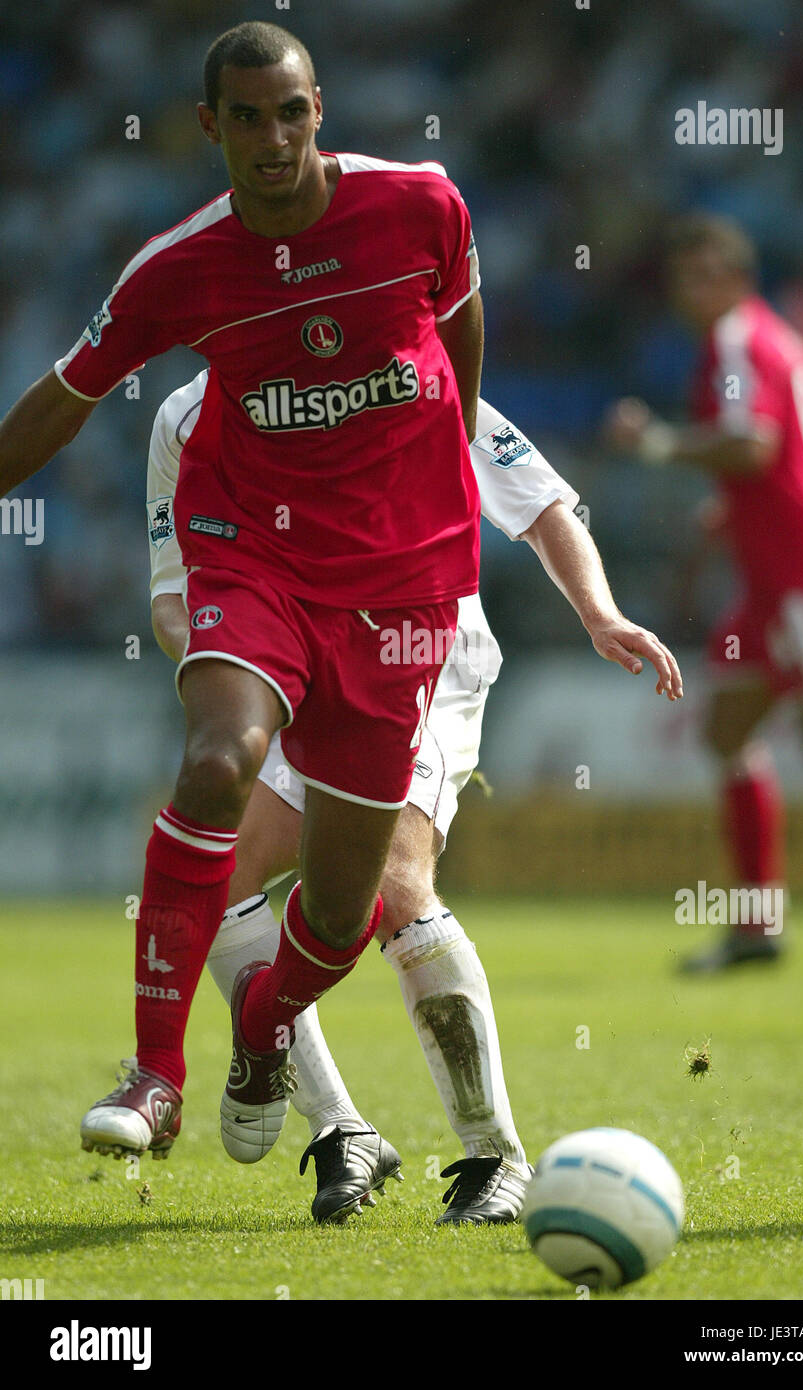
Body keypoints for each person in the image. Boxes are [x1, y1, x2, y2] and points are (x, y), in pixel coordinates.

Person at [0, 21, 489, 1157]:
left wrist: (450, 445)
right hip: (251, 550)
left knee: (338, 913)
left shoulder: (419, 206)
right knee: (218, 759)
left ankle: (262, 1033)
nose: (274, 140)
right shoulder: (176, 268)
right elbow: (69, 392)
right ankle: (155, 1074)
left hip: (400, 581)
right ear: (210, 127)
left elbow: (460, 313)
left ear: (321, 110)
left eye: (293, 113)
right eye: (249, 119)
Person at [146, 372, 684, 1222]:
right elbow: (175, 595)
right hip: (292, 647)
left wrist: (599, 613)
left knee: (393, 880)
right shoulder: (182, 416)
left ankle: (494, 1157)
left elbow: (540, 501)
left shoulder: (397, 363)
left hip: (418, 638)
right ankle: (342, 1131)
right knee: (222, 866)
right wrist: (234, 667)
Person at [605, 213, 803, 972]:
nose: (686, 294)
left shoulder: (734, 341)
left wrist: (655, 440)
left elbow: (753, 444)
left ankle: (757, 926)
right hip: (772, 578)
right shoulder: (782, 339)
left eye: (696, 275)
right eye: (679, 278)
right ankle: (756, 928)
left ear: (728, 274)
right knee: (726, 732)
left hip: (799, 575)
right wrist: (756, 501)